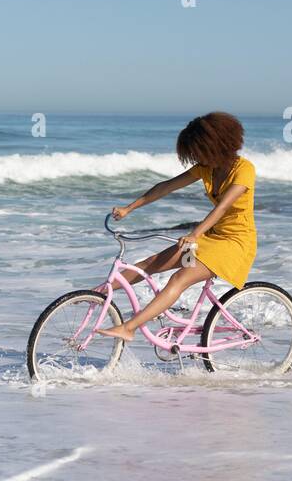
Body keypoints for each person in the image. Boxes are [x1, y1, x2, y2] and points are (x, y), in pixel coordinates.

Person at [101, 112, 257, 341]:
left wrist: (195, 234)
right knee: (149, 264)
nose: (195, 157)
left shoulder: (244, 169)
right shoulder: (207, 168)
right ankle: (97, 294)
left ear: (215, 146)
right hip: (209, 238)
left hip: (234, 245)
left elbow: (222, 207)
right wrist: (129, 208)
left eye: (198, 151)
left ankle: (129, 328)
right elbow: (165, 187)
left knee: (178, 279)